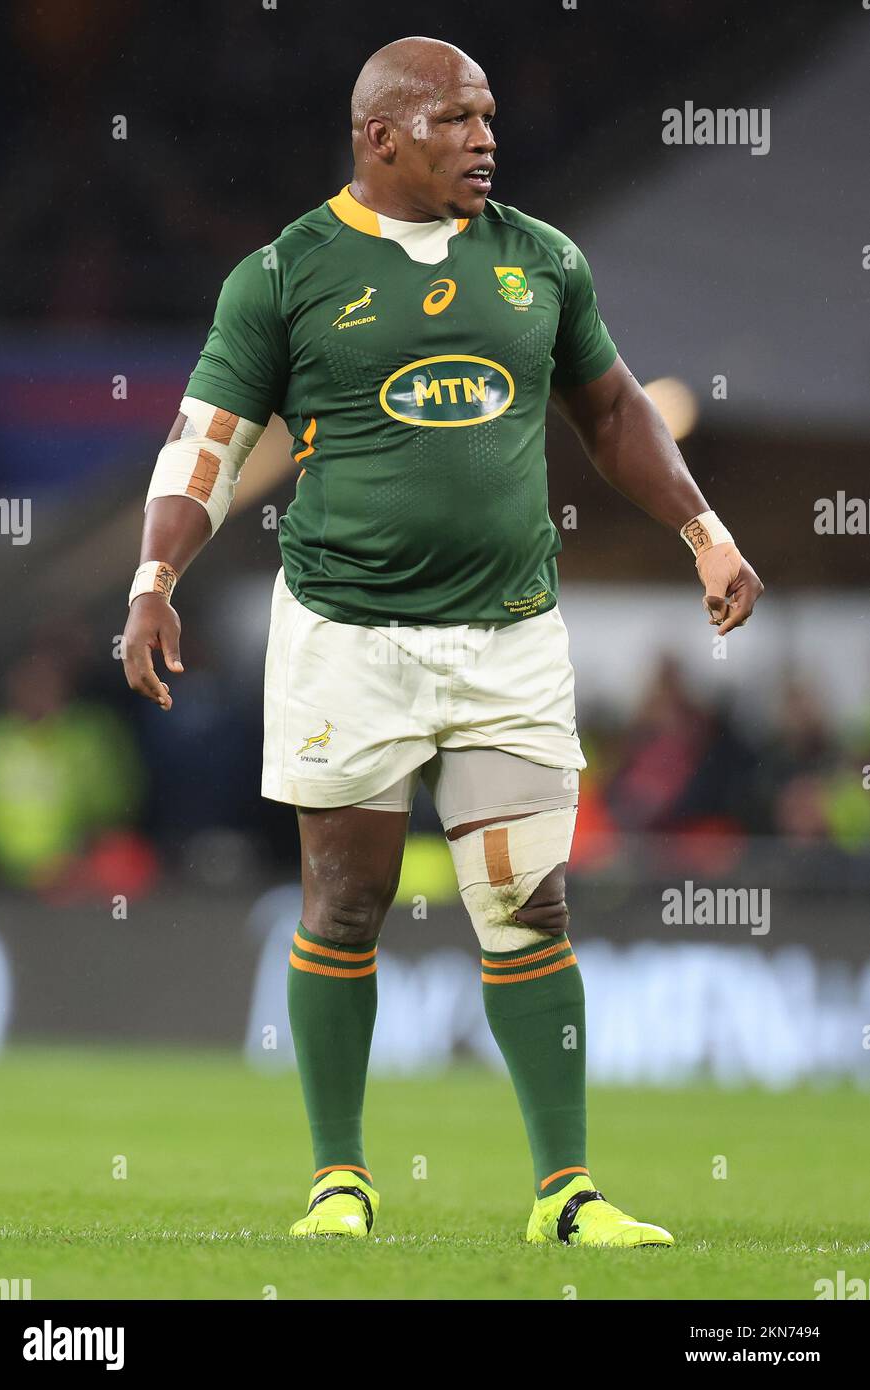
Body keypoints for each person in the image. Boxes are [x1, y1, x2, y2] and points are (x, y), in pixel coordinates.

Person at [122, 36, 763, 1248]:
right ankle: (340, 1185)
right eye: (458, 120)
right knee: (347, 904)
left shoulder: (540, 260)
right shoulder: (285, 274)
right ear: (383, 138)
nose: (486, 138)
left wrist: (705, 533)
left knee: (530, 904)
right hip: (344, 635)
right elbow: (203, 442)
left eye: (489, 117)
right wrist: (156, 576)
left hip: (510, 636)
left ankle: (566, 1195)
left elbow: (616, 411)